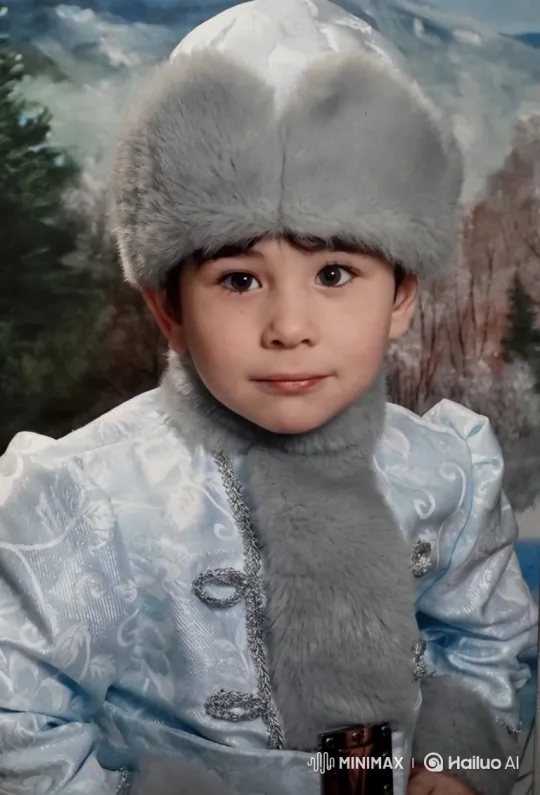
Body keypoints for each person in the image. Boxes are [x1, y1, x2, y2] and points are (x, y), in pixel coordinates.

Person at [0, 1, 536, 794]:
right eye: (240, 279)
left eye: (334, 274)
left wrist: (457, 764)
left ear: (402, 296)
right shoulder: (87, 499)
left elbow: (489, 641)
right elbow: (21, 717)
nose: (290, 326)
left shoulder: (445, 474)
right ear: (169, 308)